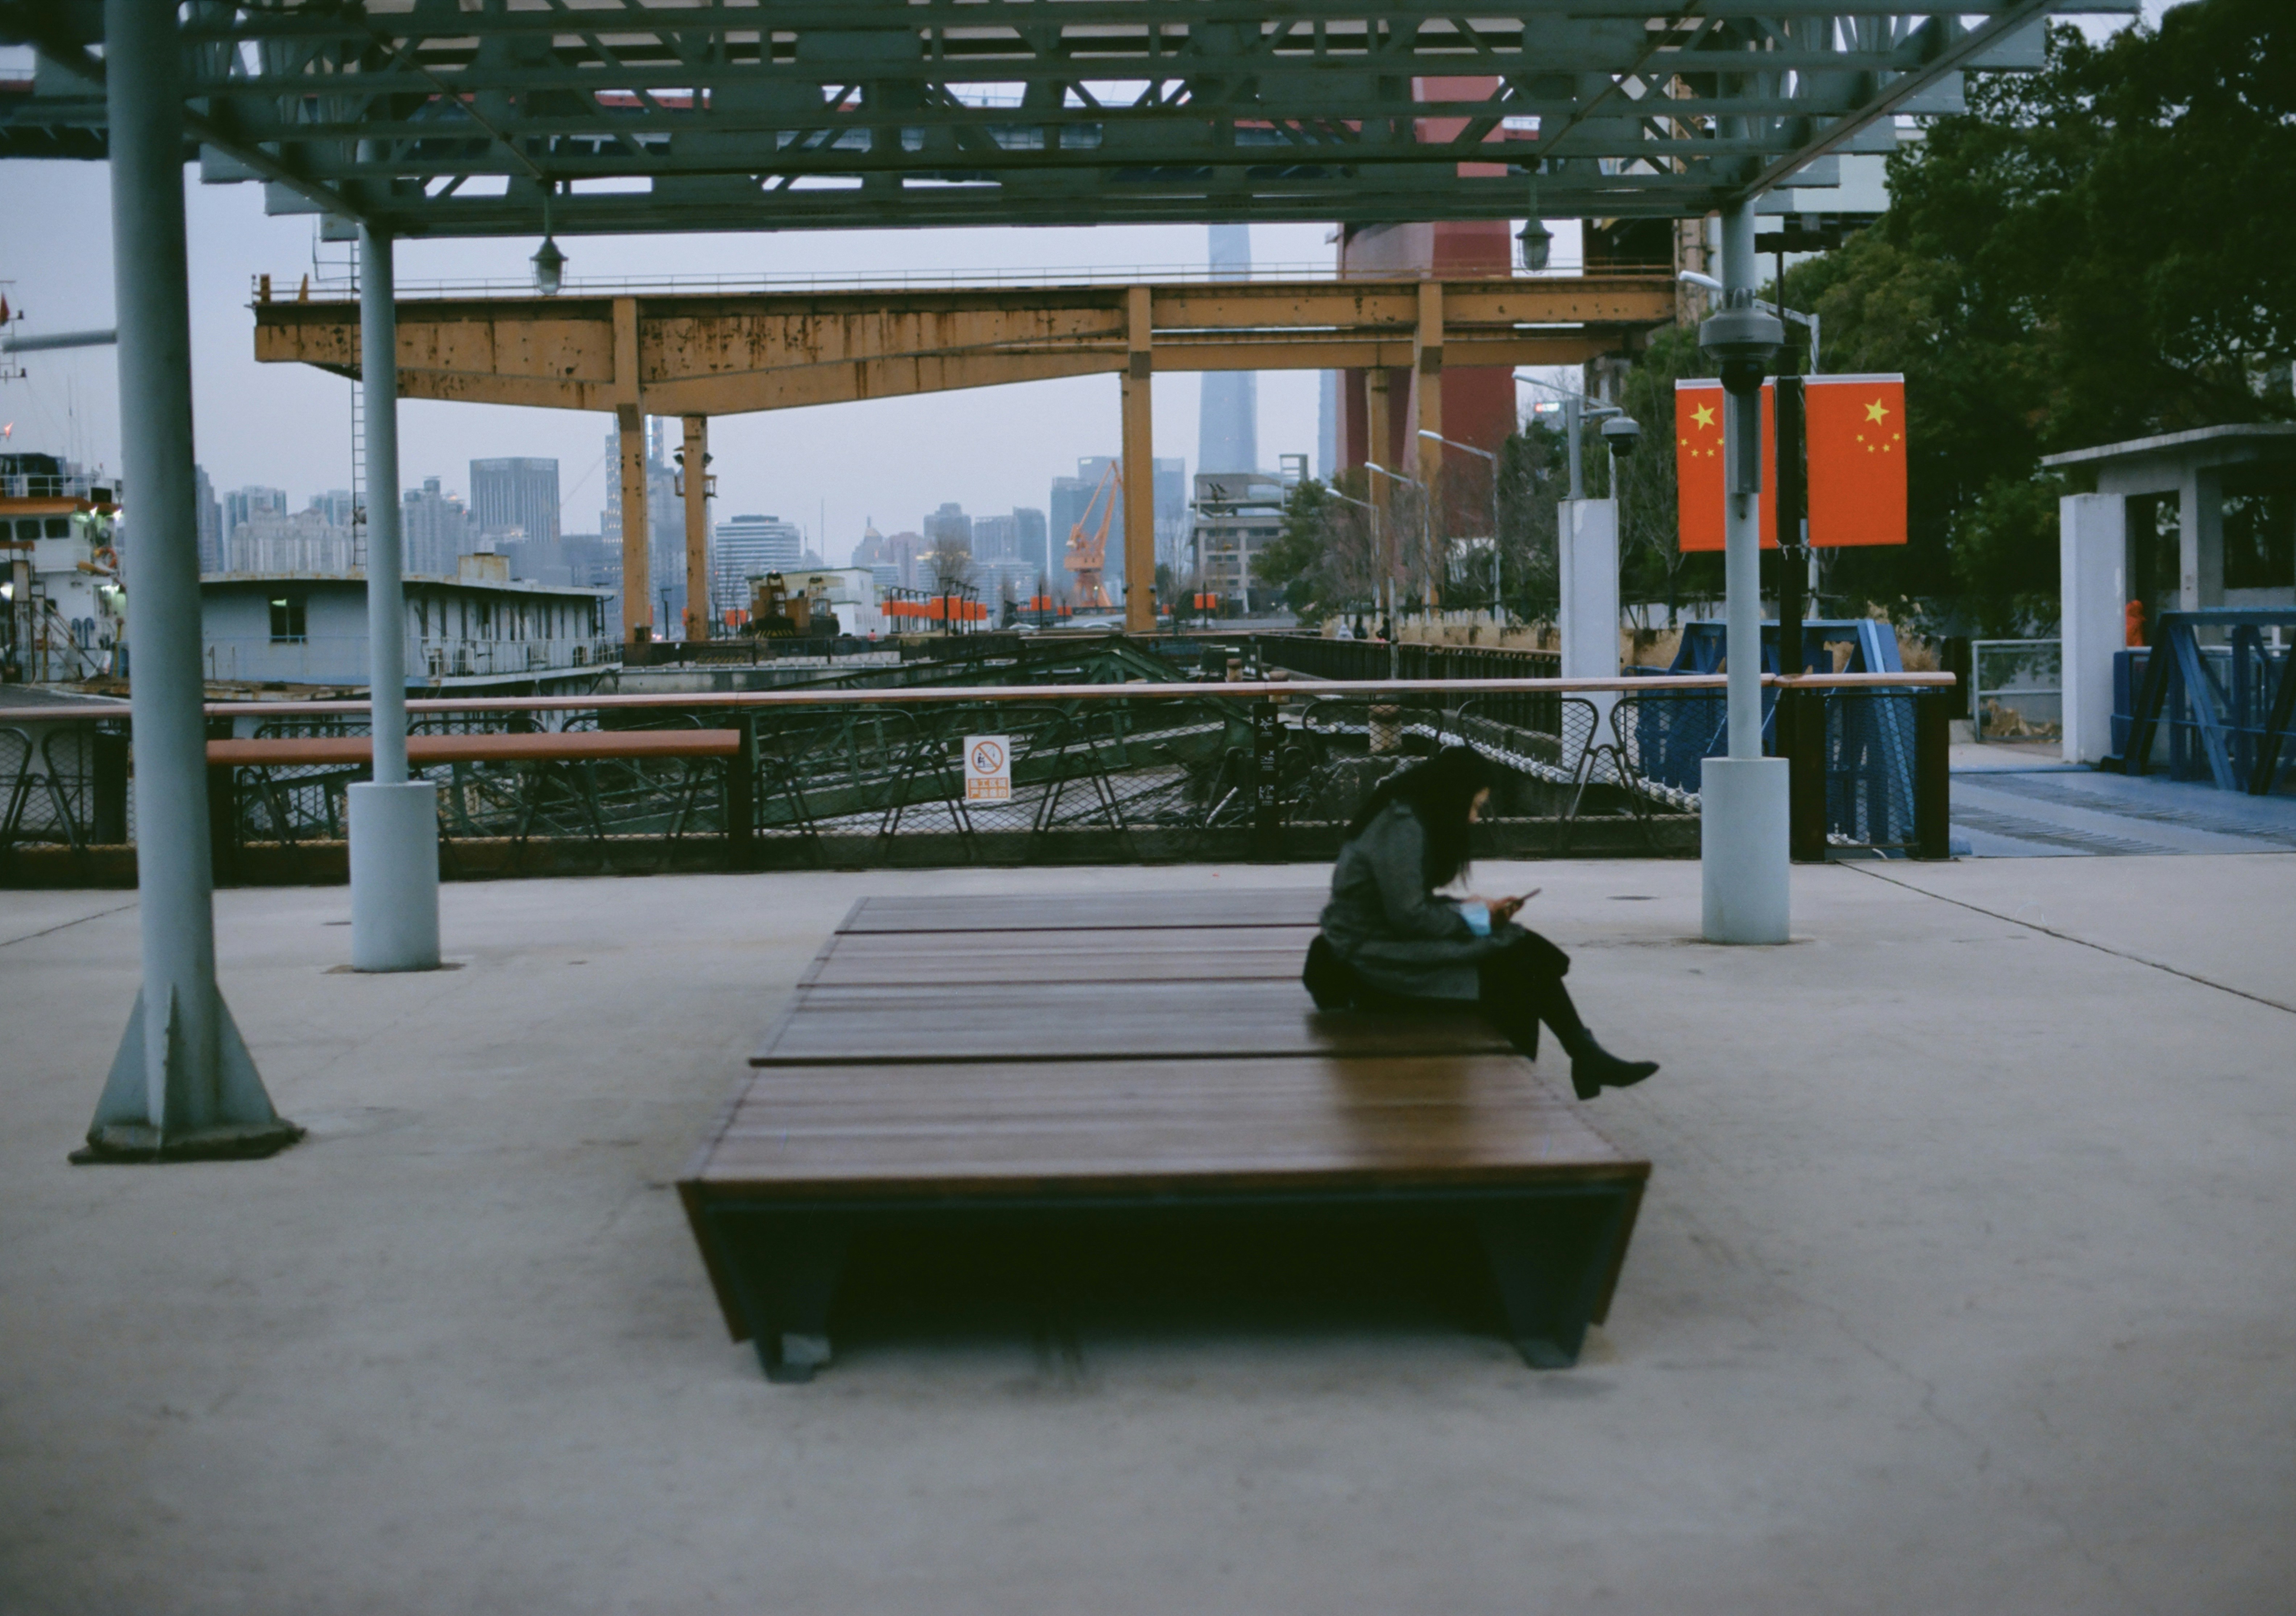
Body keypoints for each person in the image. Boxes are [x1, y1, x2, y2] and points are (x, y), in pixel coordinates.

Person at [1304, 745, 1658, 1101]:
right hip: (1372, 962)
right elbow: (1410, 917)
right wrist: (1475, 915)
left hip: (1380, 945)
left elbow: (1402, 909)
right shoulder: (1402, 826)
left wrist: (1473, 911)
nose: (1473, 819)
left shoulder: (1404, 816)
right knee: (1516, 968)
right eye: (1474, 806)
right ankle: (1551, 1071)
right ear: (1452, 797)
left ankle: (1572, 1062)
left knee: (1518, 953)